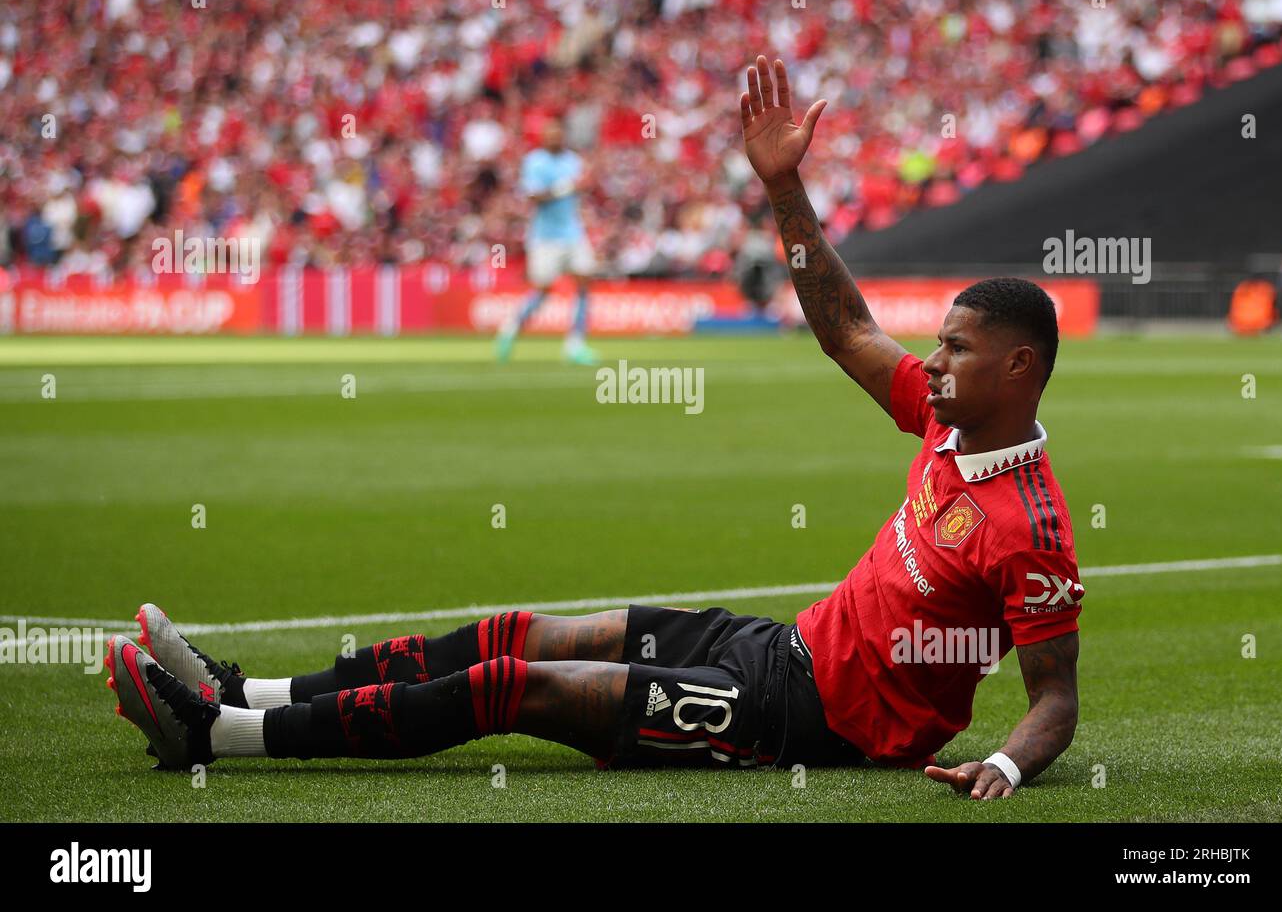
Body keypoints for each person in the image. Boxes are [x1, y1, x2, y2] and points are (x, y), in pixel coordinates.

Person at [105, 56, 1081, 800]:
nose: (932, 360)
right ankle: (249, 689)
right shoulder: (942, 420)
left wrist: (1002, 759)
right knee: (523, 629)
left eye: (954, 348)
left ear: (1017, 368)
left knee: (523, 683)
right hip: (779, 646)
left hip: (806, 720)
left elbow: (1054, 700)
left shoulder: (1029, 529)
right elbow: (848, 329)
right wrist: (783, 187)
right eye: (939, 344)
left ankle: (215, 736)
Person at [495, 118, 600, 366]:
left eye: (558, 134)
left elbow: (580, 189)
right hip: (544, 237)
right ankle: (511, 328)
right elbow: (535, 197)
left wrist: (583, 187)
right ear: (543, 138)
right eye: (550, 134)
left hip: (572, 232)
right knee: (543, 290)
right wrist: (569, 186)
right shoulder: (535, 162)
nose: (554, 138)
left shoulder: (573, 161)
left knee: (585, 280)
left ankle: (575, 345)